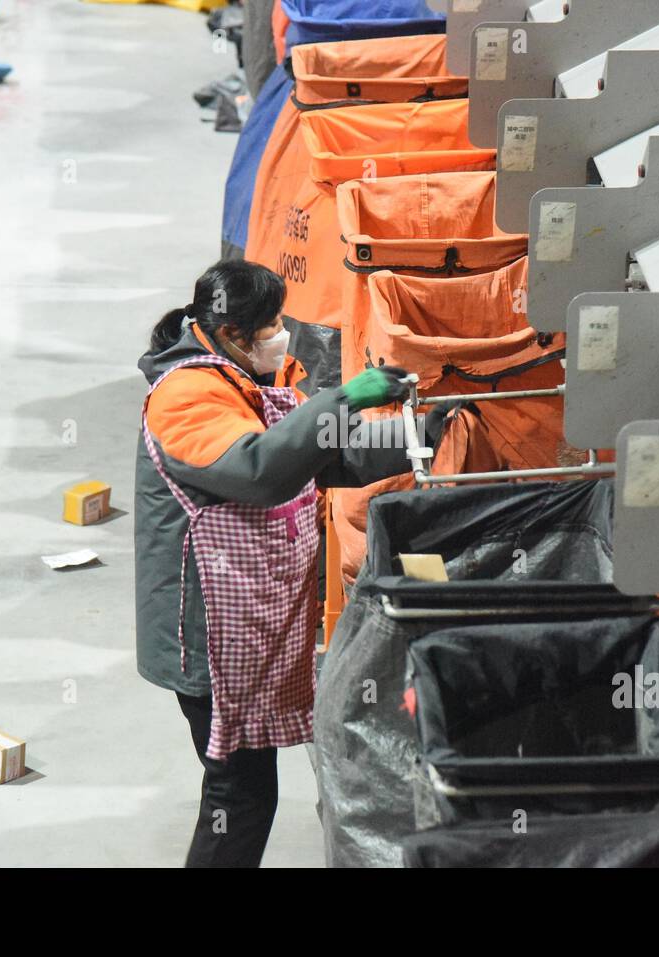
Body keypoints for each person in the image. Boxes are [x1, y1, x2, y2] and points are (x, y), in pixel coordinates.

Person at [134, 260, 441, 867]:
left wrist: (423, 435)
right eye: (269, 325)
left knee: (244, 792)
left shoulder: (251, 376)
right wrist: (346, 397)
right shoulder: (185, 396)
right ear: (229, 333)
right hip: (205, 635)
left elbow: (325, 459)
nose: (283, 334)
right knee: (239, 797)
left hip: (248, 624)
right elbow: (261, 470)